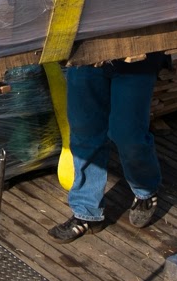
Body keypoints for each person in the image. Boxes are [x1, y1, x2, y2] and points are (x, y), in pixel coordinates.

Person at [48, 55, 169, 242]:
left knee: (128, 134)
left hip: (139, 55)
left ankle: (144, 189)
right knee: (84, 131)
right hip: (85, 55)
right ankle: (86, 212)